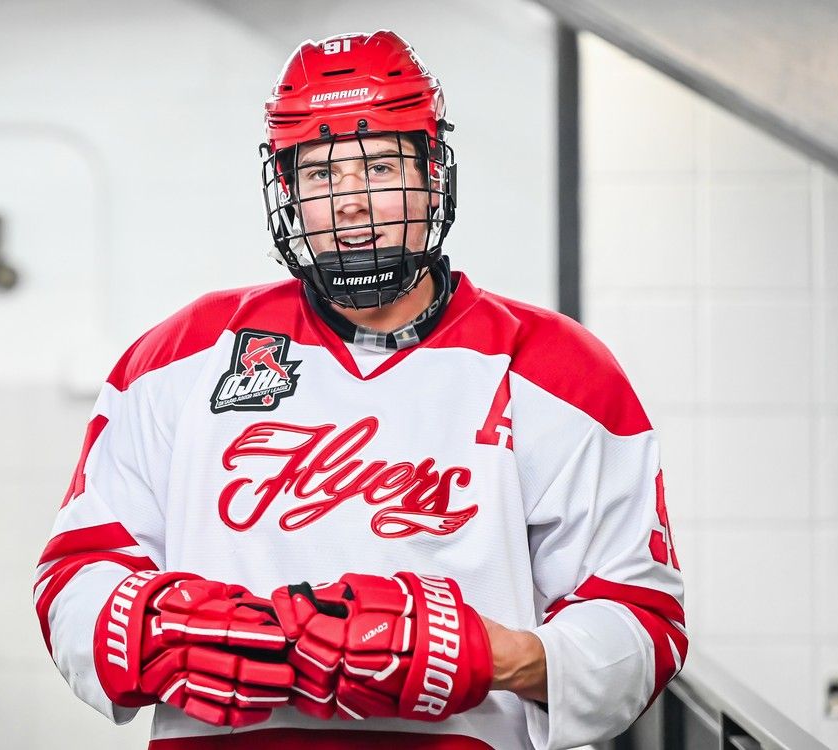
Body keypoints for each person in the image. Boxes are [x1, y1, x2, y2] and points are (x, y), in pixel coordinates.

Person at [34, 30, 687, 750]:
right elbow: (75, 573)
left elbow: (643, 625)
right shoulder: (178, 358)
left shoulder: (561, 370)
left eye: (378, 165)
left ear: (432, 175)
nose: (351, 202)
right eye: (320, 174)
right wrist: (146, 631)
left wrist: (492, 656)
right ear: (288, 193)